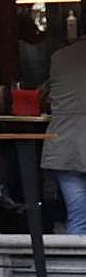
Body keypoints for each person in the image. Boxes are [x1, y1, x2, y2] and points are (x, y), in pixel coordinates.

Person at [42, 42, 86, 234]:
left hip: (64, 146)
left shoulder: (58, 56)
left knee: (78, 216)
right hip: (71, 145)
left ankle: (74, 265)